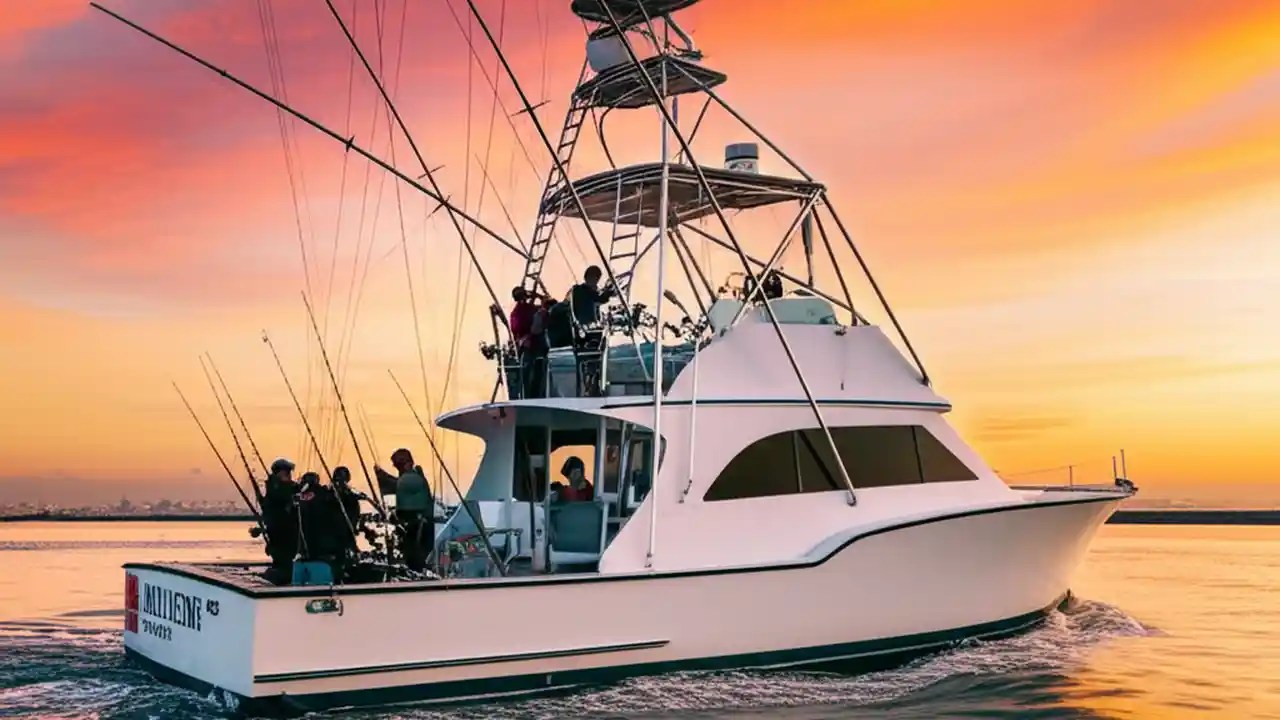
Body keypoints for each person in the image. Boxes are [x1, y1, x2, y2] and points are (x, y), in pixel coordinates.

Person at [375, 448, 434, 572]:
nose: (398, 469)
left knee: (415, 562)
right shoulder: (413, 477)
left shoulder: (413, 478)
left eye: (399, 465)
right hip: (414, 529)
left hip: (419, 531)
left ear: (408, 463)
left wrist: (380, 475)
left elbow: (396, 485)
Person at [292, 471, 346, 586]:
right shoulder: (325, 497)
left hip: (300, 559)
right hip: (322, 559)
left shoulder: (296, 499)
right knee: (321, 591)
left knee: (297, 593)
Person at [261, 458, 299, 585]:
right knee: (283, 562)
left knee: (285, 561)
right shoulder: (277, 489)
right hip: (281, 534)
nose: (289, 475)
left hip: (286, 533)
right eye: (287, 472)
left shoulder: (281, 487)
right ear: (279, 473)